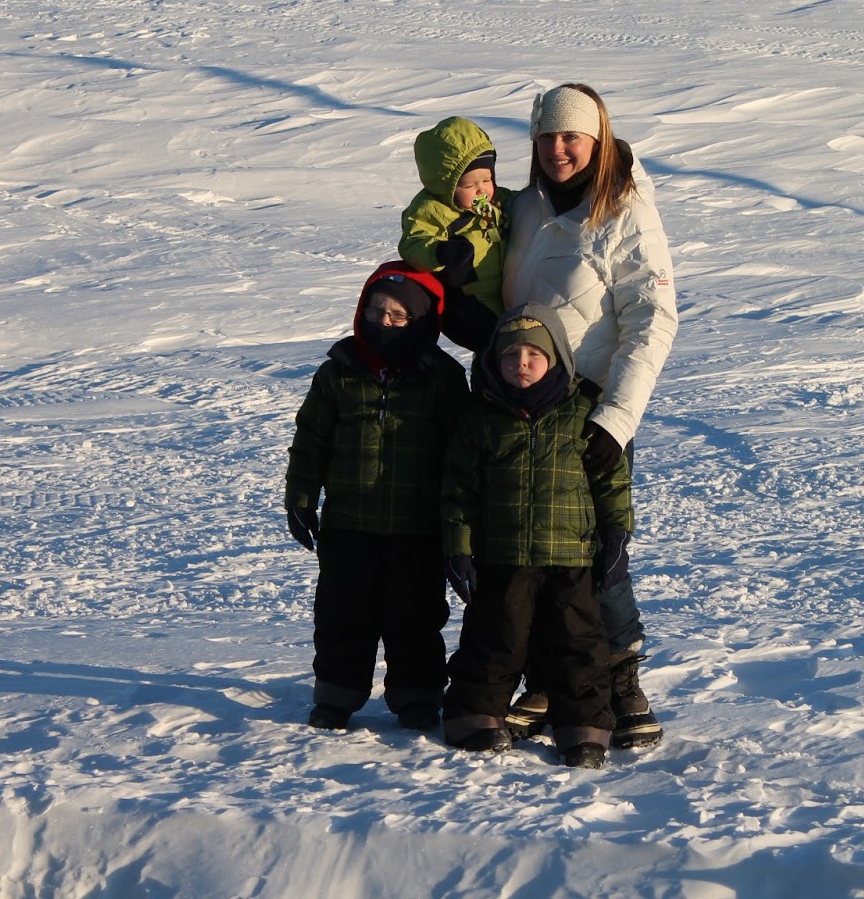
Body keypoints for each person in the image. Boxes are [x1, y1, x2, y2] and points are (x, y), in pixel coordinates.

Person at [499, 83, 678, 750]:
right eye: (546, 138)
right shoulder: (522, 209)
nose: (558, 150)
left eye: (571, 137)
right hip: (521, 411)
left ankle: (621, 677)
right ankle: (551, 677)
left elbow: (652, 320)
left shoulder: (626, 211)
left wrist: (616, 419)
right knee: (529, 553)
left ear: (597, 140)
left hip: (592, 414)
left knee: (599, 554)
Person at [439, 306, 633, 769]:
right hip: (501, 555)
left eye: (532, 354)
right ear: (492, 362)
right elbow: (458, 488)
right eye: (509, 355)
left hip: (572, 554)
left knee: (578, 642)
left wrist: (617, 534)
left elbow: (612, 481)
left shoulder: (583, 411)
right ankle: (476, 715)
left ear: (556, 359)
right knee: (495, 637)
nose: (520, 363)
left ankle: (583, 728)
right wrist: (458, 546)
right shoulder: (483, 417)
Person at [283, 261, 468, 733]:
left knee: (417, 617)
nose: (383, 321)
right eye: (375, 309)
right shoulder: (337, 372)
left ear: (422, 321)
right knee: (343, 613)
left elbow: (460, 454)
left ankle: (417, 697)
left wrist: (459, 523)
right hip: (349, 523)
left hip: (418, 526)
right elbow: (312, 440)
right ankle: (336, 696)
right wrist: (301, 497)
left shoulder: (443, 378)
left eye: (398, 315)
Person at [399, 116, 509, 353]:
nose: (482, 190)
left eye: (487, 180)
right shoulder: (430, 210)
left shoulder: (498, 200)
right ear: (445, 185)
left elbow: (522, 203)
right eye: (470, 186)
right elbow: (413, 244)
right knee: (495, 345)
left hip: (504, 289)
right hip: (469, 296)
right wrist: (440, 252)